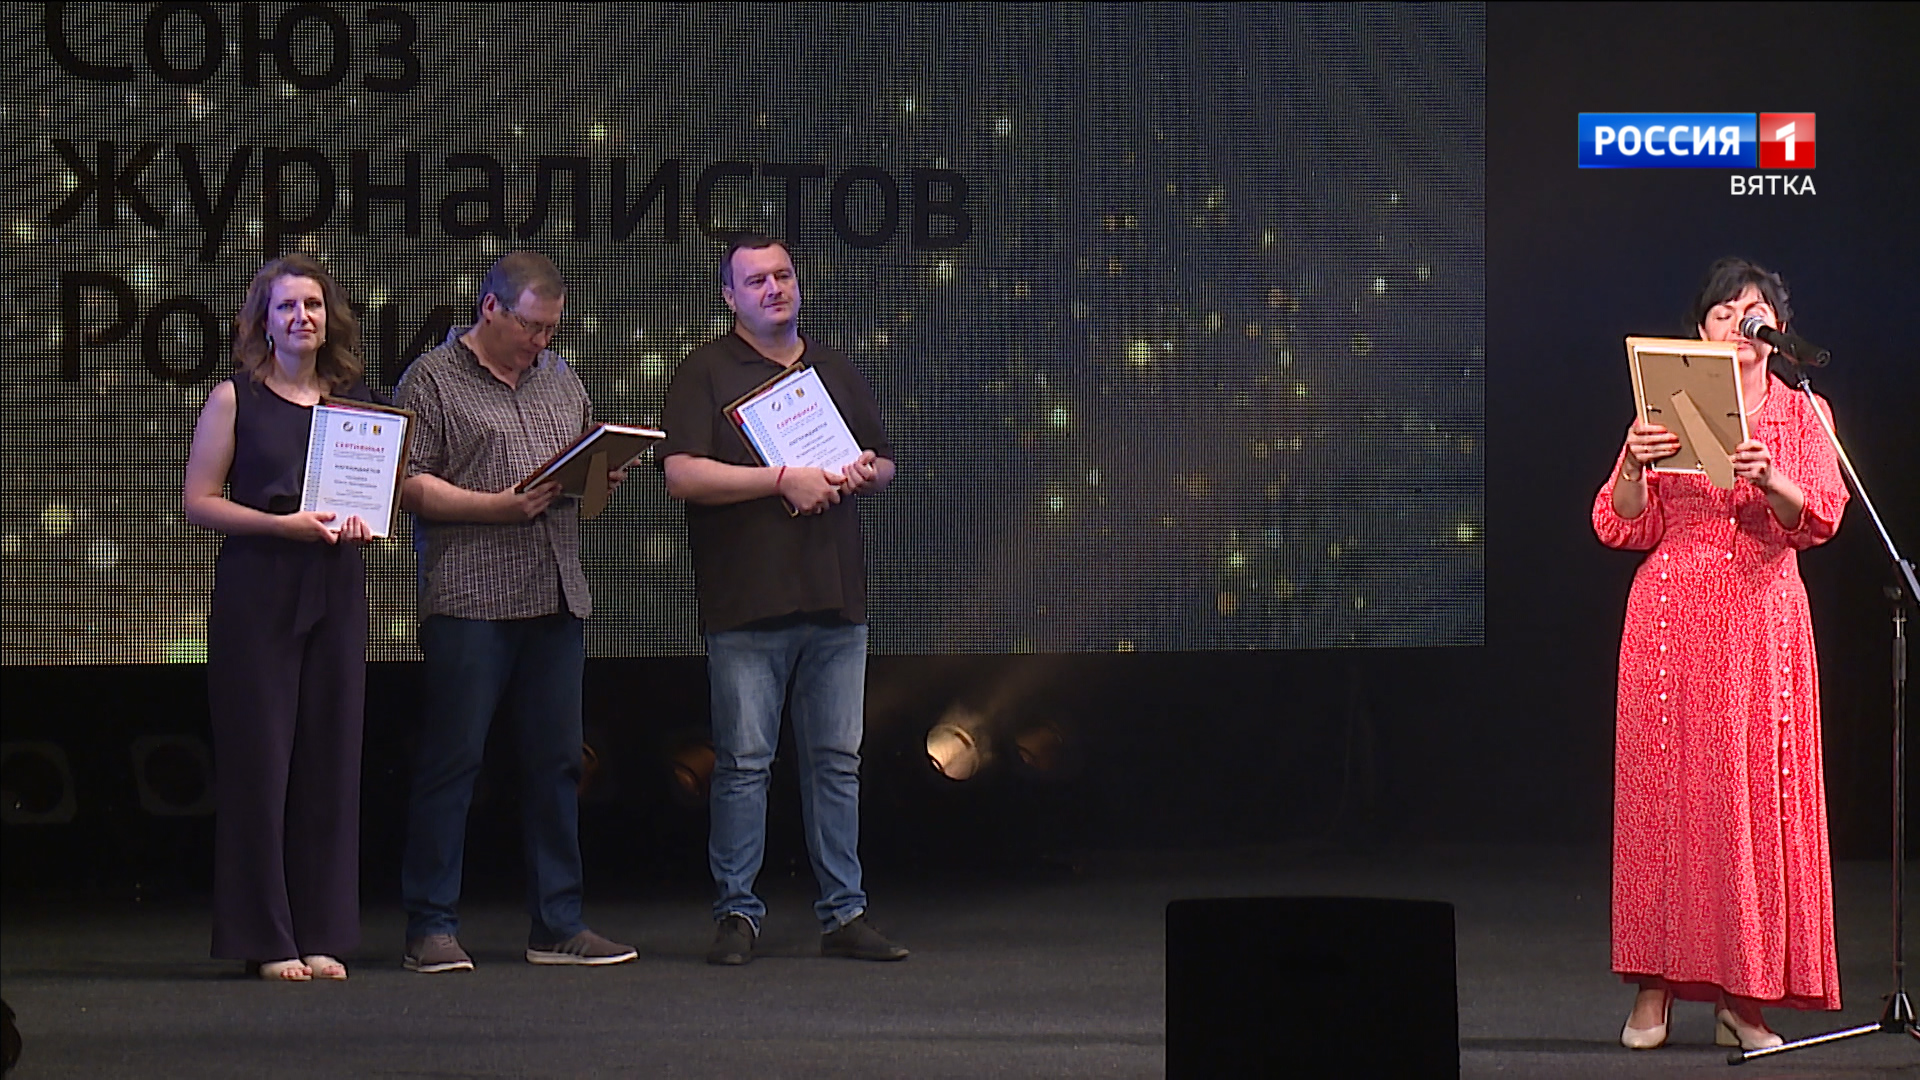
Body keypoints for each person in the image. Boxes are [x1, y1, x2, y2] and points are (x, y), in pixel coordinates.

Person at [1594, 257, 1848, 1051]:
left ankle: (1744, 998)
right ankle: (1655, 984)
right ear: (1699, 331)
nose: (1741, 324)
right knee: (1666, 801)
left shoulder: (1804, 414)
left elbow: (1822, 515)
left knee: (1748, 807)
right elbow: (1622, 522)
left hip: (1762, 622)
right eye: (1724, 313)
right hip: (1672, 621)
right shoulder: (1667, 406)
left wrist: (1773, 481)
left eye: (1755, 313)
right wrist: (1634, 461)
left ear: (1777, 331)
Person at [659, 233, 908, 965]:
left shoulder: (831, 366)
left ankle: (845, 913)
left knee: (836, 763)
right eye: (757, 281)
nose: (775, 289)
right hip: (747, 601)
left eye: (784, 275)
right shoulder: (704, 371)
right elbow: (680, 474)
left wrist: (864, 470)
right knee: (743, 765)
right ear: (729, 297)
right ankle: (737, 914)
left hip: (835, 598)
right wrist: (780, 480)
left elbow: (884, 463)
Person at [393, 250, 636, 973]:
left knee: (558, 763)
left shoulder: (560, 378)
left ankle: (557, 922)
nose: (541, 341)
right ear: (490, 308)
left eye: (551, 329)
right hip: (471, 596)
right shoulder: (432, 379)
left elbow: (585, 493)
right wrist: (493, 507)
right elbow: (406, 482)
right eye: (531, 327)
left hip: (555, 591)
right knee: (455, 761)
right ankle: (430, 925)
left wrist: (603, 476)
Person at [183, 254, 375, 982]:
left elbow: (375, 493)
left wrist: (363, 521)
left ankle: (322, 931)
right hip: (259, 589)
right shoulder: (234, 399)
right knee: (261, 765)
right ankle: (266, 937)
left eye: (313, 305)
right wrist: (281, 525)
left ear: (331, 318)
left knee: (331, 761)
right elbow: (199, 502)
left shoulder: (353, 403)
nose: (302, 317)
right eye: (288, 306)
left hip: (335, 587)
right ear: (263, 320)